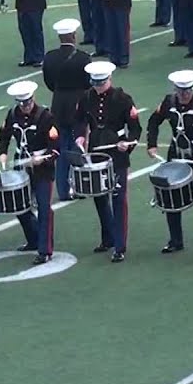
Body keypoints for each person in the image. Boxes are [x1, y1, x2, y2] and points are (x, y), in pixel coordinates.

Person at [145, 70, 193, 260]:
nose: (184, 95)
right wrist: (152, 144)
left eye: (187, 91)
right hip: (176, 156)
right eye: (180, 91)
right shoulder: (169, 103)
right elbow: (153, 122)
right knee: (170, 199)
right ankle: (175, 240)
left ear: (192, 89)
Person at [73, 61, 142, 262]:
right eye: (95, 83)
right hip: (96, 151)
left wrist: (128, 144)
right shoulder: (86, 97)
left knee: (119, 199)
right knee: (99, 196)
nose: (98, 87)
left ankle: (120, 246)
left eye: (101, 83)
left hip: (117, 154)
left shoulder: (122, 98)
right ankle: (108, 238)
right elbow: (79, 120)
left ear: (109, 79)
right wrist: (80, 136)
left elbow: (135, 128)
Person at [0, 80, 59, 263]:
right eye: (22, 104)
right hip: (20, 166)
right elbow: (4, 135)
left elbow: (56, 148)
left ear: (33, 100)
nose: (25, 107)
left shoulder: (46, 117)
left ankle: (45, 250)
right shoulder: (12, 115)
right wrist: (2, 153)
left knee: (44, 207)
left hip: (42, 170)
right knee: (18, 205)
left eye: (28, 103)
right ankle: (33, 239)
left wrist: (42, 158)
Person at [42, 18, 92, 201]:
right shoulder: (83, 57)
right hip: (78, 104)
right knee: (78, 144)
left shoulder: (50, 57)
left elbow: (48, 82)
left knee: (61, 147)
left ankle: (63, 190)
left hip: (58, 103)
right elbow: (89, 83)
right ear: (73, 35)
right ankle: (78, 186)